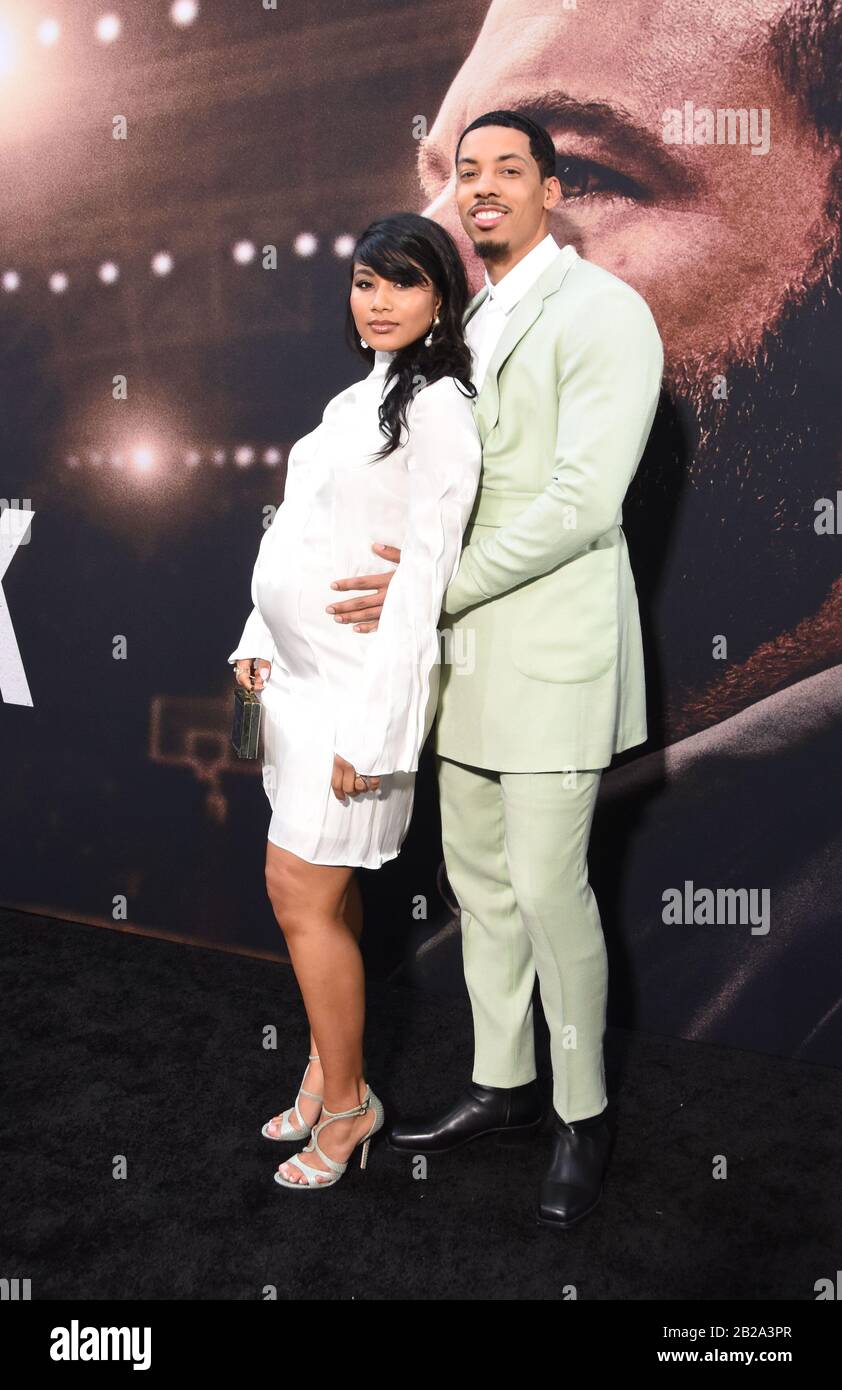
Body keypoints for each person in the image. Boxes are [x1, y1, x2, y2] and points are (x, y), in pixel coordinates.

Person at [325, 113, 663, 1227]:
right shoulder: (462, 319)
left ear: (550, 190)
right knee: (477, 887)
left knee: (552, 891)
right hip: (462, 665)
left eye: (506, 172)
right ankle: (503, 1085)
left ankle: (580, 1111)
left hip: (553, 655)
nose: (480, 190)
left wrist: (426, 589)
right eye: (463, 171)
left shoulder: (605, 312)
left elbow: (580, 506)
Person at [226, 213, 482, 1190]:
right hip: (294, 685)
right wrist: (257, 639)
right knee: (320, 896)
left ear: (438, 299)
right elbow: (295, 536)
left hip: (357, 694)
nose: (378, 302)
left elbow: (423, 581)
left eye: (401, 284)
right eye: (365, 283)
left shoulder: (440, 408)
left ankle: (347, 1109)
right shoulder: (354, 400)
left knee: (297, 893)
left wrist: (379, 735)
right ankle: (327, 1069)